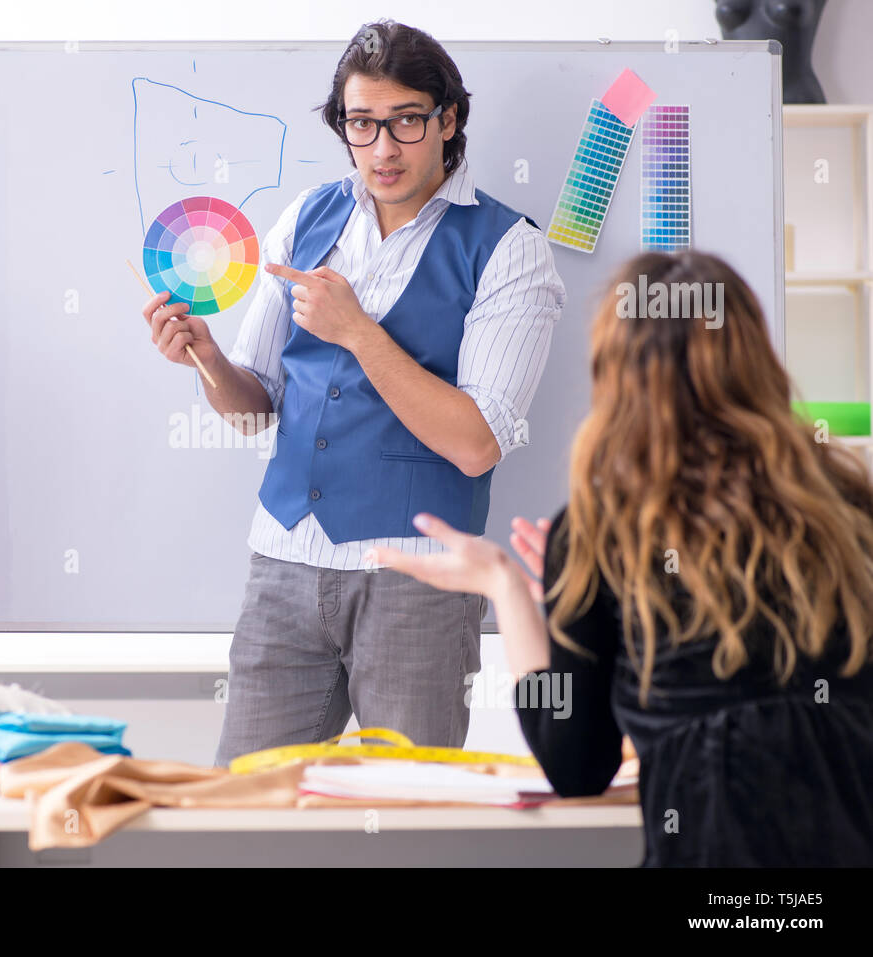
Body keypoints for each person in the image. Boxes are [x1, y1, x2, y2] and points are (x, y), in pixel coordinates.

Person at [141, 19, 564, 766]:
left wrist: (360, 332)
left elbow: (475, 443)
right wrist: (207, 361)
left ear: (448, 118)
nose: (383, 149)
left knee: (410, 820)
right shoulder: (307, 217)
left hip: (418, 581)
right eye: (361, 125)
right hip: (283, 564)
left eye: (405, 121)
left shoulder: (508, 248)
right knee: (246, 812)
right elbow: (253, 407)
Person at [370, 249, 873, 866]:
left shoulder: (599, 533)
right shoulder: (850, 504)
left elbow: (576, 766)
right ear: (755, 361)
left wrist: (510, 589)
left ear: (617, 376)